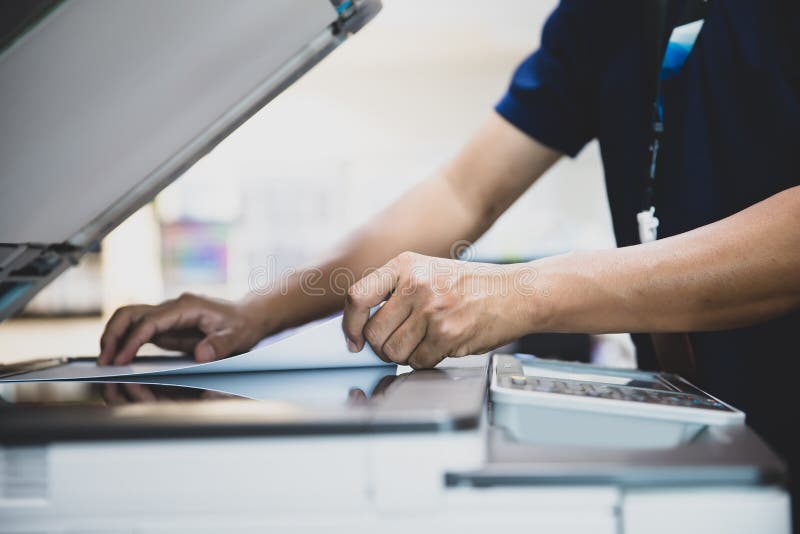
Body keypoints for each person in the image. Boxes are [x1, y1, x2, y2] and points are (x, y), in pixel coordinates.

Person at [98, 0, 799, 525]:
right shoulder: (601, 16)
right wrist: (256, 311)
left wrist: (526, 291)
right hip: (712, 450)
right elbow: (462, 192)